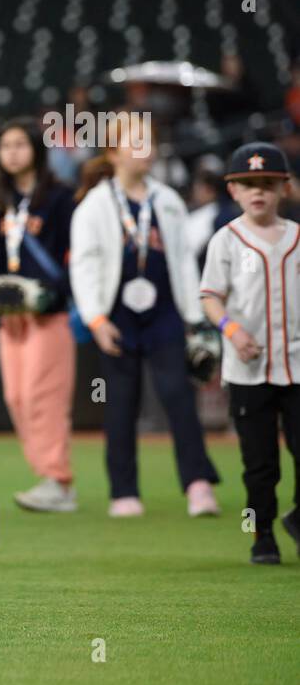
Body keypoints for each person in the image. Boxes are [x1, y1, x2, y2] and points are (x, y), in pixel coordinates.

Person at [69, 115, 221, 518]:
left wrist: (195, 316)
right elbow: (82, 266)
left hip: (165, 311)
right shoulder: (94, 205)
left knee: (178, 396)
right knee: (120, 401)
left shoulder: (168, 200)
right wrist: (96, 319)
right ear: (114, 151)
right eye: (136, 141)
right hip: (116, 312)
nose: (147, 149)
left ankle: (198, 484)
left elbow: (184, 263)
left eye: (150, 141)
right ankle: (123, 491)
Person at [0, 120, 78, 509]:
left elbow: (75, 256)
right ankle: (46, 476)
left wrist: (56, 293)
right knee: (16, 397)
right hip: (9, 312)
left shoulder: (60, 198)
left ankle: (58, 479)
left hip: (47, 312)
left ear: (36, 149)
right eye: (4, 145)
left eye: (19, 144)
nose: (11, 152)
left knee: (41, 393)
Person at [199, 142, 300, 563]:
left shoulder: (297, 237)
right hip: (248, 368)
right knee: (259, 466)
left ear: (284, 188)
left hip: (296, 365)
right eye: (247, 184)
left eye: (266, 183)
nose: (257, 191)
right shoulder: (226, 240)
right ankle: (261, 535)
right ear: (233, 191)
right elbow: (210, 297)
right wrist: (231, 328)